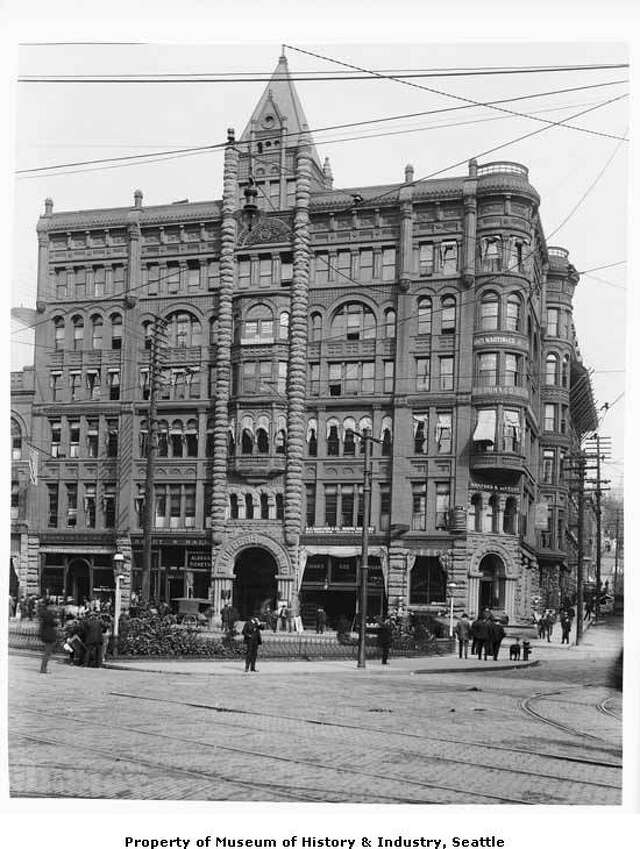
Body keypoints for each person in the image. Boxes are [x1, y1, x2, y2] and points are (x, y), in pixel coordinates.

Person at [38, 598, 58, 674]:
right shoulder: (49, 614)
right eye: (52, 606)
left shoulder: (43, 613)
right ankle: (43, 668)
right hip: (49, 634)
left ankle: (43, 668)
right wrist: (56, 622)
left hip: (45, 634)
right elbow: (53, 623)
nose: (53, 607)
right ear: (49, 606)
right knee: (47, 653)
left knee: (47, 653)